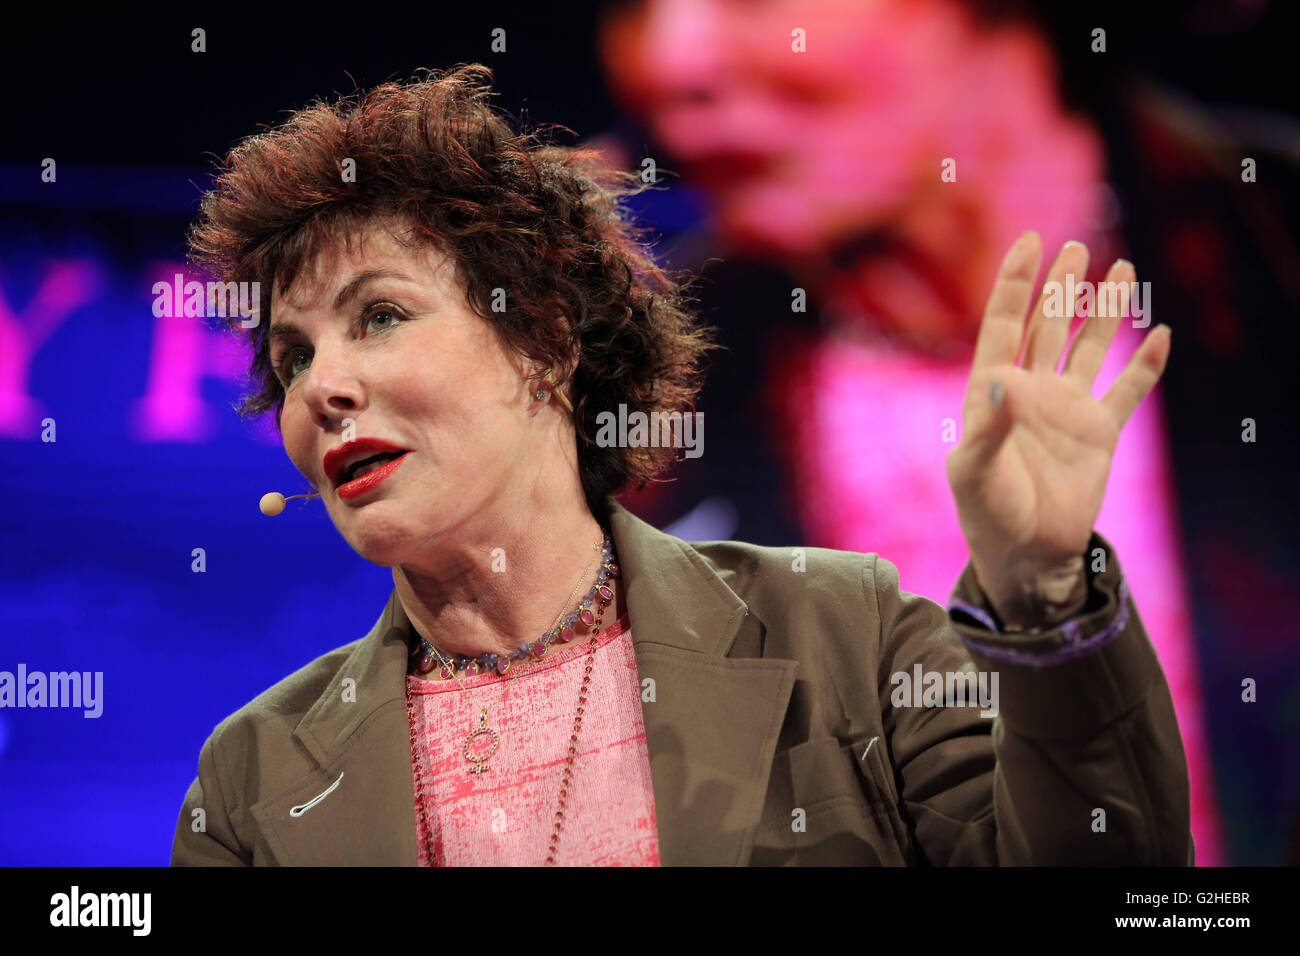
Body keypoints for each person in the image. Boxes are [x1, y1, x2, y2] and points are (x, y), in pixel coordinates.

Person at [169, 64, 1189, 866]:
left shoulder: (849, 637)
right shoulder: (256, 774)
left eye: (379, 315)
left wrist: (1044, 589)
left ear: (546, 339)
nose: (319, 387)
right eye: (292, 355)